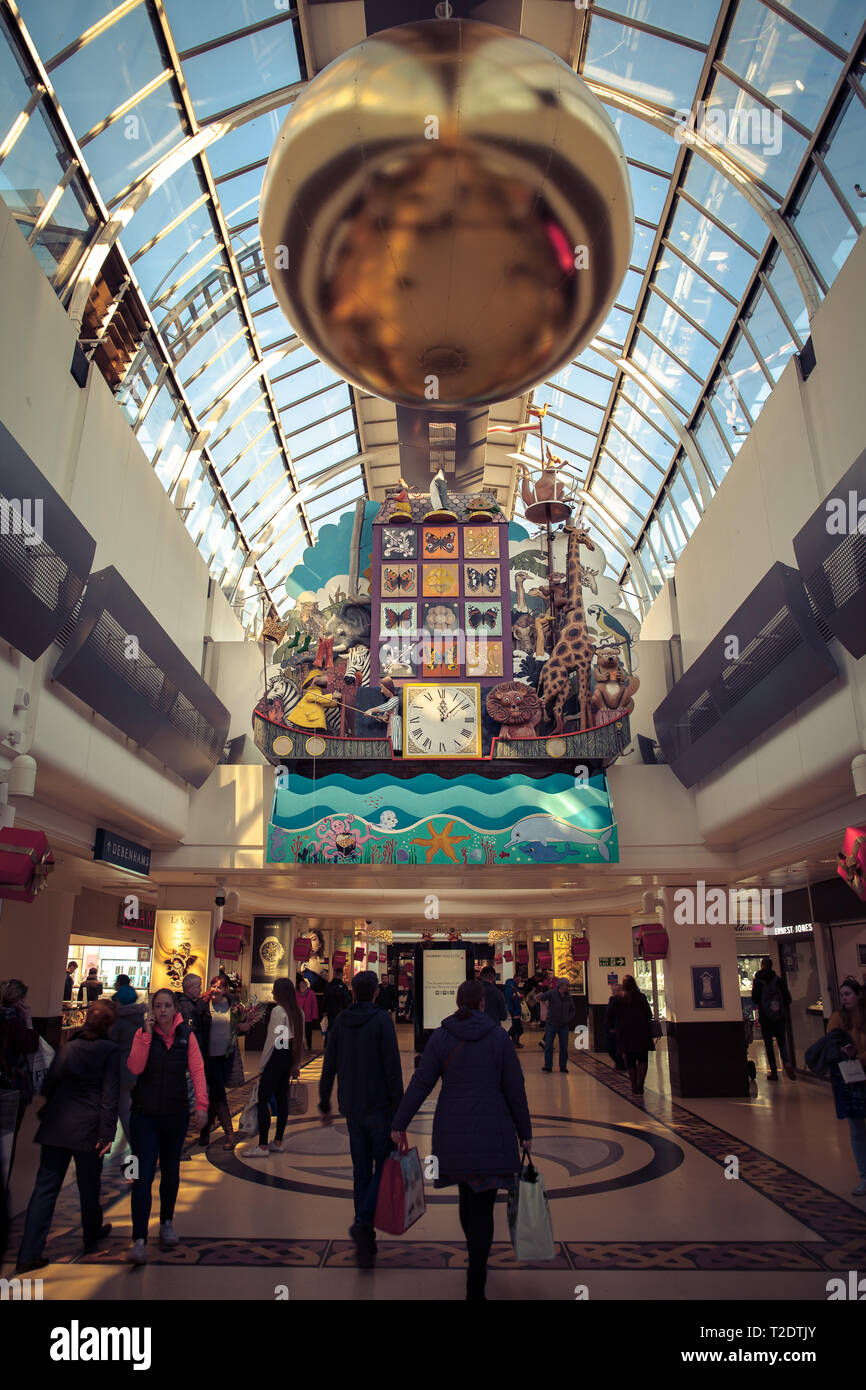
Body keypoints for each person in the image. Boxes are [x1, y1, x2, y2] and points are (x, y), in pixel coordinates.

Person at [390, 978, 532, 1301]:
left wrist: (399, 1122)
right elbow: (515, 1089)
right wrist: (525, 1132)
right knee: (483, 1205)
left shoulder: (441, 1037)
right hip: (493, 1130)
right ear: (483, 1003)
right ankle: (476, 1276)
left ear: (458, 1003)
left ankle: (474, 1254)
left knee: (468, 1198)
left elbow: (420, 1083)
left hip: (452, 1130)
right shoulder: (499, 1038)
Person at [16, 1000, 121, 1272]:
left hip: (57, 1126)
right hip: (88, 1128)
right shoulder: (109, 1051)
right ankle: (91, 1233)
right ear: (109, 1025)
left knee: (45, 1189)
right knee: (89, 1184)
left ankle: (29, 1252)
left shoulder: (69, 1047)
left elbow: (50, 1083)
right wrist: (107, 1131)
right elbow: (110, 1094)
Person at [319, 971, 403, 1269]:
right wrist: (400, 1111)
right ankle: (363, 1222)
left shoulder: (341, 1021)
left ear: (353, 992)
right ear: (376, 992)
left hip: (352, 1105)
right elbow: (392, 1066)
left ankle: (365, 1239)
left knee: (360, 1171)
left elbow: (329, 1061)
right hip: (379, 1106)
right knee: (385, 1162)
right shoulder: (382, 1021)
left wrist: (324, 1098)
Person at [125, 987, 208, 1263]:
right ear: (152, 1010)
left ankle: (167, 1221)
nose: (162, 1011)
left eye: (167, 1006)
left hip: (175, 1113)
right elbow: (135, 1068)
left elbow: (197, 1070)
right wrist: (146, 1037)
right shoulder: (141, 1036)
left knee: (171, 1171)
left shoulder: (187, 1036)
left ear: (175, 1009)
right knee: (143, 1175)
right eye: (157, 1006)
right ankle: (139, 1238)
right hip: (144, 1115)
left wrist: (202, 1105)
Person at [0, 978, 40, 1258]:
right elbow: (30, 1045)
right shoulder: (14, 1023)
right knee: (8, 1136)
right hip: (11, 1084)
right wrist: (28, 1021)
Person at [246, 978, 304, 1157]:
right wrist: (296, 1063)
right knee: (281, 1098)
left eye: (274, 990)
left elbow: (273, 1040)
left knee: (263, 1098)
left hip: (276, 1057)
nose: (272, 994)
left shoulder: (279, 1012)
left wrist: (263, 1066)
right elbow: (299, 1041)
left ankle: (263, 1145)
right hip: (288, 1057)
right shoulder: (298, 1012)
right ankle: (278, 1141)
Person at [197, 975, 248, 1148]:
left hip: (227, 1055)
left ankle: (205, 1132)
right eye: (212, 986)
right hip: (209, 1057)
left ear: (226, 990)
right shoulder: (204, 1005)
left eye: (219, 987)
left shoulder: (232, 1004)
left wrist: (243, 1027)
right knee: (218, 1091)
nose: (215, 989)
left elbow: (239, 1027)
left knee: (214, 1093)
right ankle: (229, 1133)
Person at [827, 977, 866, 1195]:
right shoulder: (837, 1019)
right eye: (842, 995)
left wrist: (858, 1057)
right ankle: (864, 1176)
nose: (844, 998)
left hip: (861, 1071)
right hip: (850, 1080)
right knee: (857, 1129)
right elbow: (831, 1044)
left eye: (848, 994)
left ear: (859, 995)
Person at [108, 975, 145, 1145]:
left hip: (122, 1070)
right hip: (138, 1067)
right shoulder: (141, 1020)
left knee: (123, 1109)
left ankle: (136, 1145)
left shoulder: (119, 1022)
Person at [752, 956, 795, 1080]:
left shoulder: (758, 981)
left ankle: (774, 1071)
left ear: (762, 966)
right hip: (779, 1018)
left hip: (765, 1018)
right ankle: (786, 1062)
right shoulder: (779, 981)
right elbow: (787, 999)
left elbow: (754, 999)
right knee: (782, 1042)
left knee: (769, 1045)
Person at [610, 975, 654, 1094]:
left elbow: (611, 1014)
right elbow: (649, 1014)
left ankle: (634, 1085)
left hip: (626, 1033)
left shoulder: (619, 998)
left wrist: (613, 1027)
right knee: (643, 1059)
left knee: (630, 1060)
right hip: (641, 1032)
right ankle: (641, 1083)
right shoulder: (641, 997)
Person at [539, 977, 576, 1073]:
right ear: (561, 986)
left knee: (564, 1046)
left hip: (563, 1025)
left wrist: (568, 1018)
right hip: (551, 1023)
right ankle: (548, 1065)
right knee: (549, 1045)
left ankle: (563, 1066)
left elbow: (572, 1009)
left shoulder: (569, 997)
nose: (568, 987)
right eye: (566, 985)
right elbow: (542, 997)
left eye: (568, 985)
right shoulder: (552, 993)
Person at [174, 972, 207, 1037]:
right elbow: (190, 1033)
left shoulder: (185, 1003)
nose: (200, 990)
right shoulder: (186, 1008)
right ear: (189, 989)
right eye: (198, 987)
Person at [606, 984, 626, 1069]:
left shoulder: (622, 1001)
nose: (613, 992)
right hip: (611, 1028)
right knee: (611, 1047)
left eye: (615, 990)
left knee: (618, 1047)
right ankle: (620, 1063)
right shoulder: (611, 1000)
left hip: (618, 1028)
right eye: (613, 990)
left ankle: (621, 1064)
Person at [297, 976, 319, 1051]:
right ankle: (300, 1046)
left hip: (308, 1017)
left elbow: (314, 1006)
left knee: (308, 1033)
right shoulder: (296, 994)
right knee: (299, 1033)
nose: (302, 988)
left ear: (306, 987)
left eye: (303, 986)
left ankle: (309, 1046)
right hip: (299, 1017)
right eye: (301, 987)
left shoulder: (311, 994)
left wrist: (314, 1016)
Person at [505, 977, 524, 1048]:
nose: (519, 981)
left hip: (514, 1010)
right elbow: (513, 999)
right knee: (518, 1029)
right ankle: (514, 1041)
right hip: (515, 1010)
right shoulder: (512, 988)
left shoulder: (513, 987)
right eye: (519, 979)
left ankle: (514, 1042)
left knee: (516, 1027)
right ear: (515, 978)